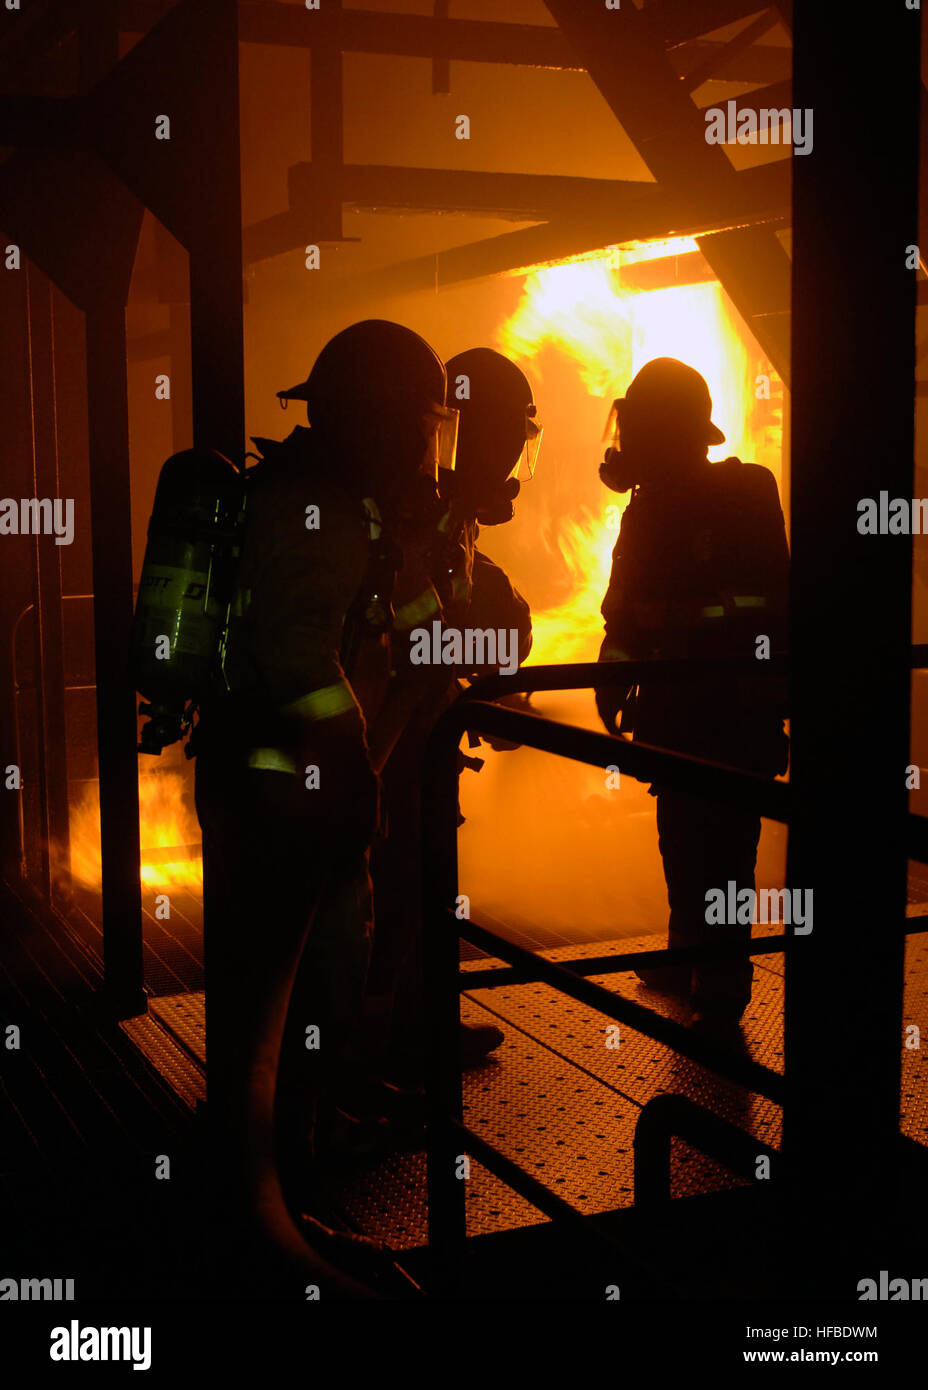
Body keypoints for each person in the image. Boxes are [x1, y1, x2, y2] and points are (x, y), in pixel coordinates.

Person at [191, 320, 458, 1266]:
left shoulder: (354, 508)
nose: (431, 452)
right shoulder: (318, 513)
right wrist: (351, 753)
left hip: (301, 785)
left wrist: (437, 606)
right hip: (282, 788)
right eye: (423, 430)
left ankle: (309, 1130)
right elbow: (297, 657)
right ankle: (283, 1185)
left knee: (327, 966)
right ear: (384, 424)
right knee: (301, 979)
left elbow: (405, 618)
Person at [594, 357, 789, 1038]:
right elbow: (620, 613)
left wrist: (671, 622)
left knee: (728, 848)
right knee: (678, 834)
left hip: (734, 708)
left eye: (644, 431)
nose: (631, 448)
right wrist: (611, 674)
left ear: (674, 435)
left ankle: (726, 983)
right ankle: (686, 957)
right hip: (674, 713)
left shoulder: (745, 494)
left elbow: (766, 599)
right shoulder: (643, 512)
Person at [362, 347, 540, 1083]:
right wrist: (502, 630)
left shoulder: (441, 512)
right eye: (504, 441)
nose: (509, 462)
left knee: (423, 877)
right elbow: (414, 632)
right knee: (391, 890)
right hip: (380, 746)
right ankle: (373, 1056)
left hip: (410, 740)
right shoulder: (409, 515)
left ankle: (417, 1022)